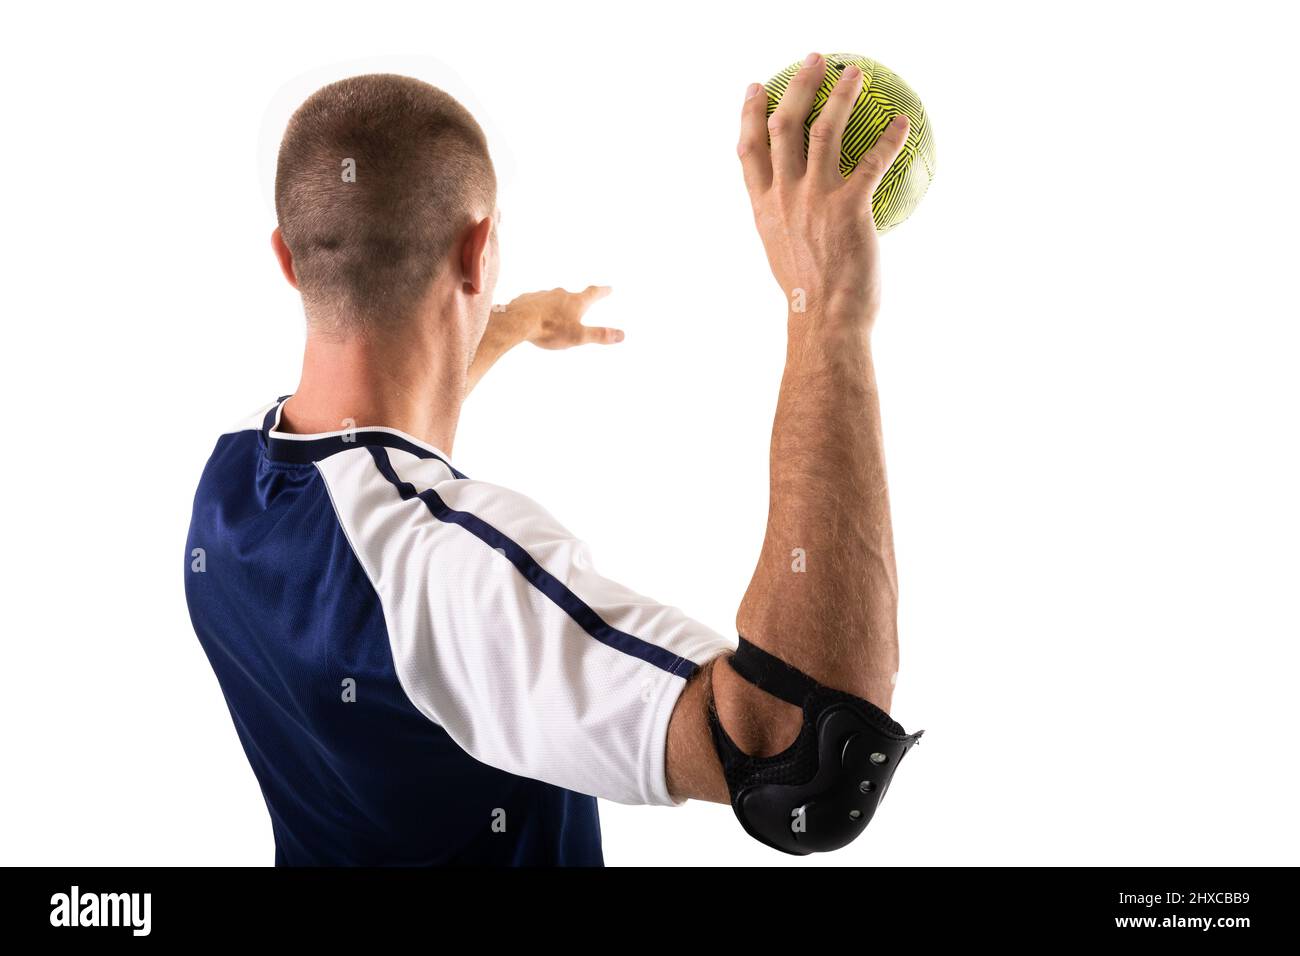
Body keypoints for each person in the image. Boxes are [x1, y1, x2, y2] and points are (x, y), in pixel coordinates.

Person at [185, 54, 914, 865]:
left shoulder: (230, 485)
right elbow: (805, 768)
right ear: (479, 251)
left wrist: (518, 322)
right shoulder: (453, 574)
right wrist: (831, 308)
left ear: (288, 260)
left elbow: (380, 447)